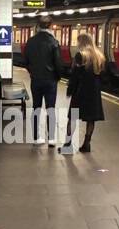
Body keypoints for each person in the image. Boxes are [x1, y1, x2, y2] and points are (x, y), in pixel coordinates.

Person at [21, 15, 65, 146]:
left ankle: (36, 137)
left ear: (38, 26)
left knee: (36, 108)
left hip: (36, 80)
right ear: (51, 25)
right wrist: (58, 76)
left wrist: (32, 72)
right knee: (51, 108)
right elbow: (58, 63)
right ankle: (51, 138)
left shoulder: (31, 41)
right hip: (50, 80)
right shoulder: (53, 42)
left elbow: (25, 61)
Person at [59, 32, 105, 154]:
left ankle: (67, 145)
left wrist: (70, 90)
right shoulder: (99, 56)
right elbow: (102, 76)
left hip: (81, 91)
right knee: (91, 119)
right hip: (94, 91)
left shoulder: (81, 55)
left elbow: (75, 76)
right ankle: (86, 144)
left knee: (73, 118)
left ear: (82, 42)